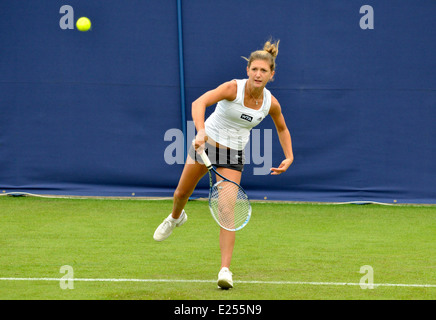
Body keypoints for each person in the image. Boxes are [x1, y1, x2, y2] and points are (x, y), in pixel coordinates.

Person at [153, 39, 294, 289]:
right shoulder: (232, 88)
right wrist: (200, 131)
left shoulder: (270, 103)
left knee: (227, 211)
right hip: (205, 145)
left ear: (272, 75)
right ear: (247, 70)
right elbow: (199, 103)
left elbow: (282, 128)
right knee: (181, 193)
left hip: (233, 156)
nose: (258, 74)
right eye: (254, 69)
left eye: (264, 71)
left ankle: (225, 270)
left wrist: (289, 156)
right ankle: (176, 217)